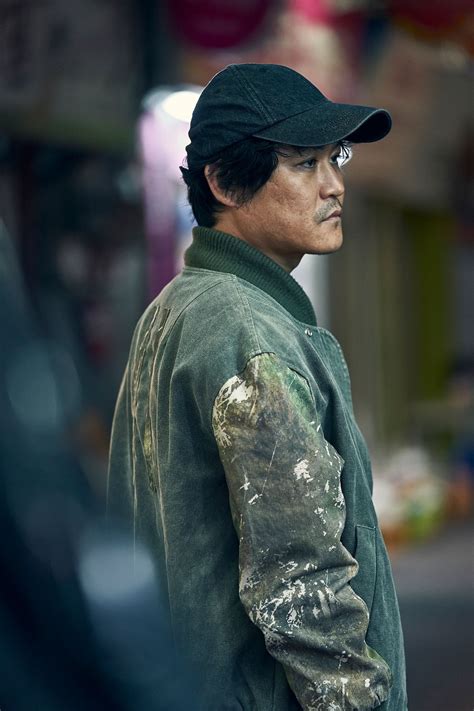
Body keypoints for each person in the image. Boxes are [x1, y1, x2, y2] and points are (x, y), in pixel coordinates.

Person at [108, 64, 407, 710]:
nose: (334, 184)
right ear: (223, 181)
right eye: (303, 163)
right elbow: (302, 586)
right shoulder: (248, 334)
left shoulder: (177, 308)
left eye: (336, 158)